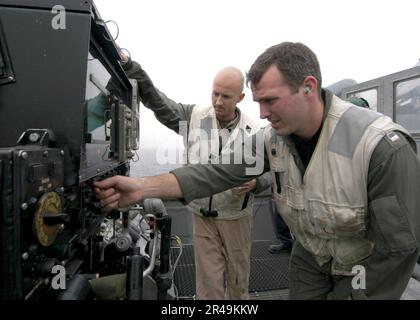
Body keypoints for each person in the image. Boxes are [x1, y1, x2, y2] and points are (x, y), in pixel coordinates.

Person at [95, 42, 420, 300]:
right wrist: (141, 188)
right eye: (258, 102)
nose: (262, 114)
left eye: (270, 101)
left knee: (238, 279)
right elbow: (213, 172)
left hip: (356, 267)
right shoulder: (268, 138)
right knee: (210, 285)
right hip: (309, 259)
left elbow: (397, 249)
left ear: (308, 87)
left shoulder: (381, 148)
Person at [118, 52, 271, 300]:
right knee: (208, 286)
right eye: (215, 93)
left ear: (241, 98)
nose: (218, 101)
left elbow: (272, 173)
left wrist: (257, 182)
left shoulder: (254, 131)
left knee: (237, 280)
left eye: (226, 96)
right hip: (202, 216)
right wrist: (133, 69)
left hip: (236, 218)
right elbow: (159, 103)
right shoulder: (194, 117)